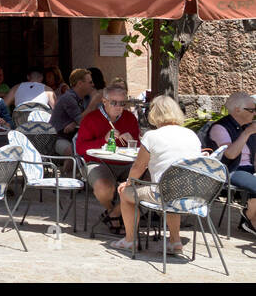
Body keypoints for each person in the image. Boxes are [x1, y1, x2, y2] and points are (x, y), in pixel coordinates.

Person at [111, 96, 202, 255]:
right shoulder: (191, 135)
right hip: (191, 194)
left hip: (164, 193)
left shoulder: (152, 136)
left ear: (153, 113)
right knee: (173, 190)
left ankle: (130, 240)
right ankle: (175, 241)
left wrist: (128, 183)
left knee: (125, 193)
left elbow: (139, 166)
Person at [76, 77, 141, 234]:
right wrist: (102, 140)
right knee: (103, 187)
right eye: (114, 103)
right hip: (98, 162)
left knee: (146, 181)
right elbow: (80, 148)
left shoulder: (130, 118)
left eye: (122, 103)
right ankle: (112, 210)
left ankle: (115, 214)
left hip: (125, 163)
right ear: (104, 102)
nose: (119, 107)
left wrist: (133, 141)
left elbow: (139, 147)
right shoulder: (91, 119)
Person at [205, 93, 256, 236]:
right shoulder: (220, 128)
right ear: (237, 110)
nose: (254, 113)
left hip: (248, 168)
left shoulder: (248, 126)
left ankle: (249, 218)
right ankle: (250, 218)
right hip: (231, 169)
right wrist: (247, 133)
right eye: (251, 110)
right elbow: (230, 155)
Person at [51, 68, 100, 155]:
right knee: (74, 151)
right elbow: (81, 121)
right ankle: (71, 168)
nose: (93, 85)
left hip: (74, 136)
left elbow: (93, 119)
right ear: (80, 84)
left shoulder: (86, 97)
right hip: (58, 138)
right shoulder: (68, 98)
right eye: (90, 82)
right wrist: (93, 104)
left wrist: (74, 124)